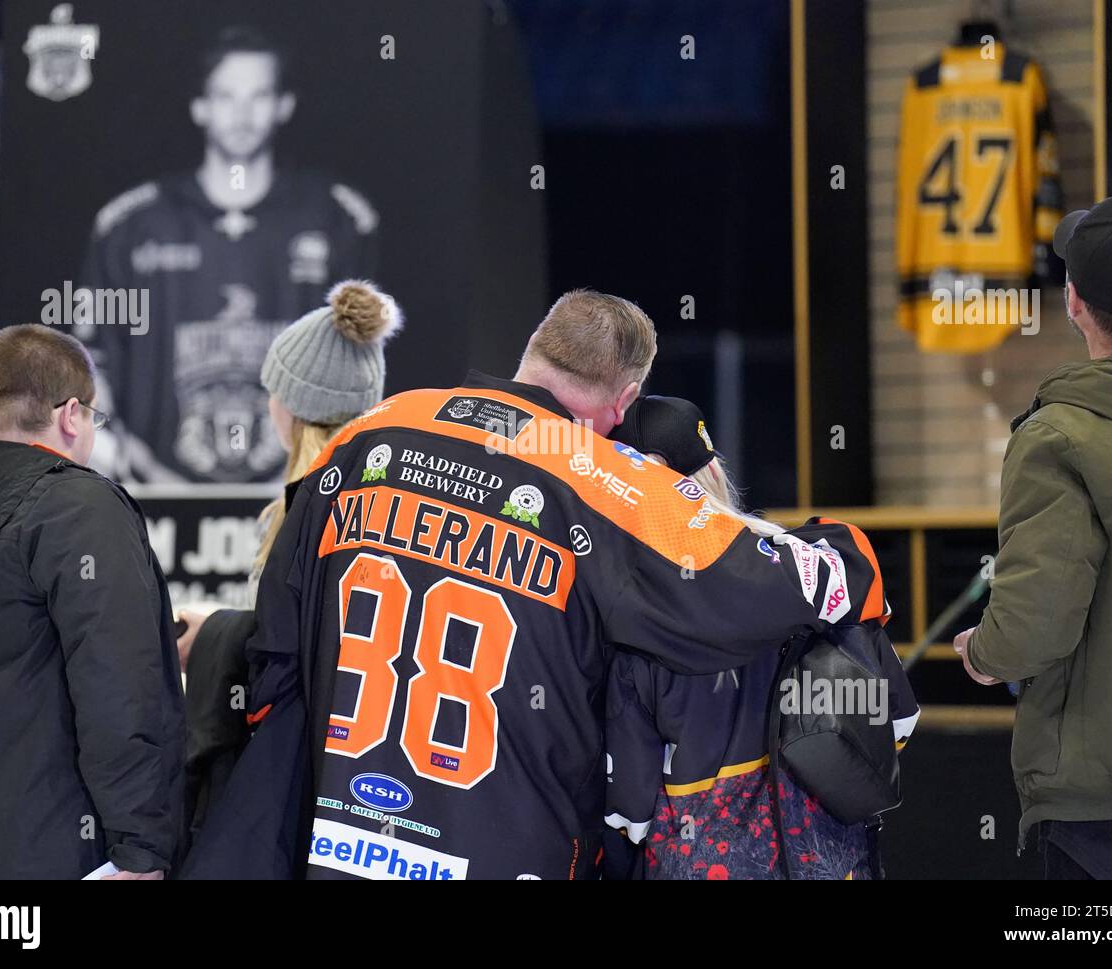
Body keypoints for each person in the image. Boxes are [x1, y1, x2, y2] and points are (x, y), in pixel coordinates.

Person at [201, 289, 888, 880]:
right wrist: (849, 557)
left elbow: (277, 643)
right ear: (624, 399)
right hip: (511, 848)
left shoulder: (375, 429)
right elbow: (777, 584)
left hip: (344, 842)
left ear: (533, 348)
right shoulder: (601, 479)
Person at [0, 325, 186, 879]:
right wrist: (143, 846)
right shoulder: (80, 508)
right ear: (71, 414)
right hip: (45, 856)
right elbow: (118, 690)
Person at [954, 196, 1112, 879]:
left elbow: (1038, 621)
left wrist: (985, 652)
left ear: (1074, 301)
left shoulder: (1059, 437)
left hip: (1107, 809)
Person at [603, 395, 918, 879]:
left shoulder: (637, 619)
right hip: (833, 861)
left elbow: (630, 810)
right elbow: (897, 725)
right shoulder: (823, 575)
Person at [78, 25, 379, 484]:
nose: (242, 115)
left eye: (258, 96)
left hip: (298, 492)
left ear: (284, 105)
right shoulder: (130, 225)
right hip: (150, 493)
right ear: (200, 107)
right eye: (226, 96)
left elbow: (365, 367)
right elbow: (88, 359)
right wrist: (106, 451)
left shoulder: (338, 220)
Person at [180, 279, 402, 840]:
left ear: (295, 407)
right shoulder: (370, 502)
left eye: (274, 391)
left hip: (306, 780)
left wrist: (215, 633)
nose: (268, 404)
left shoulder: (308, 508)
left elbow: (288, 652)